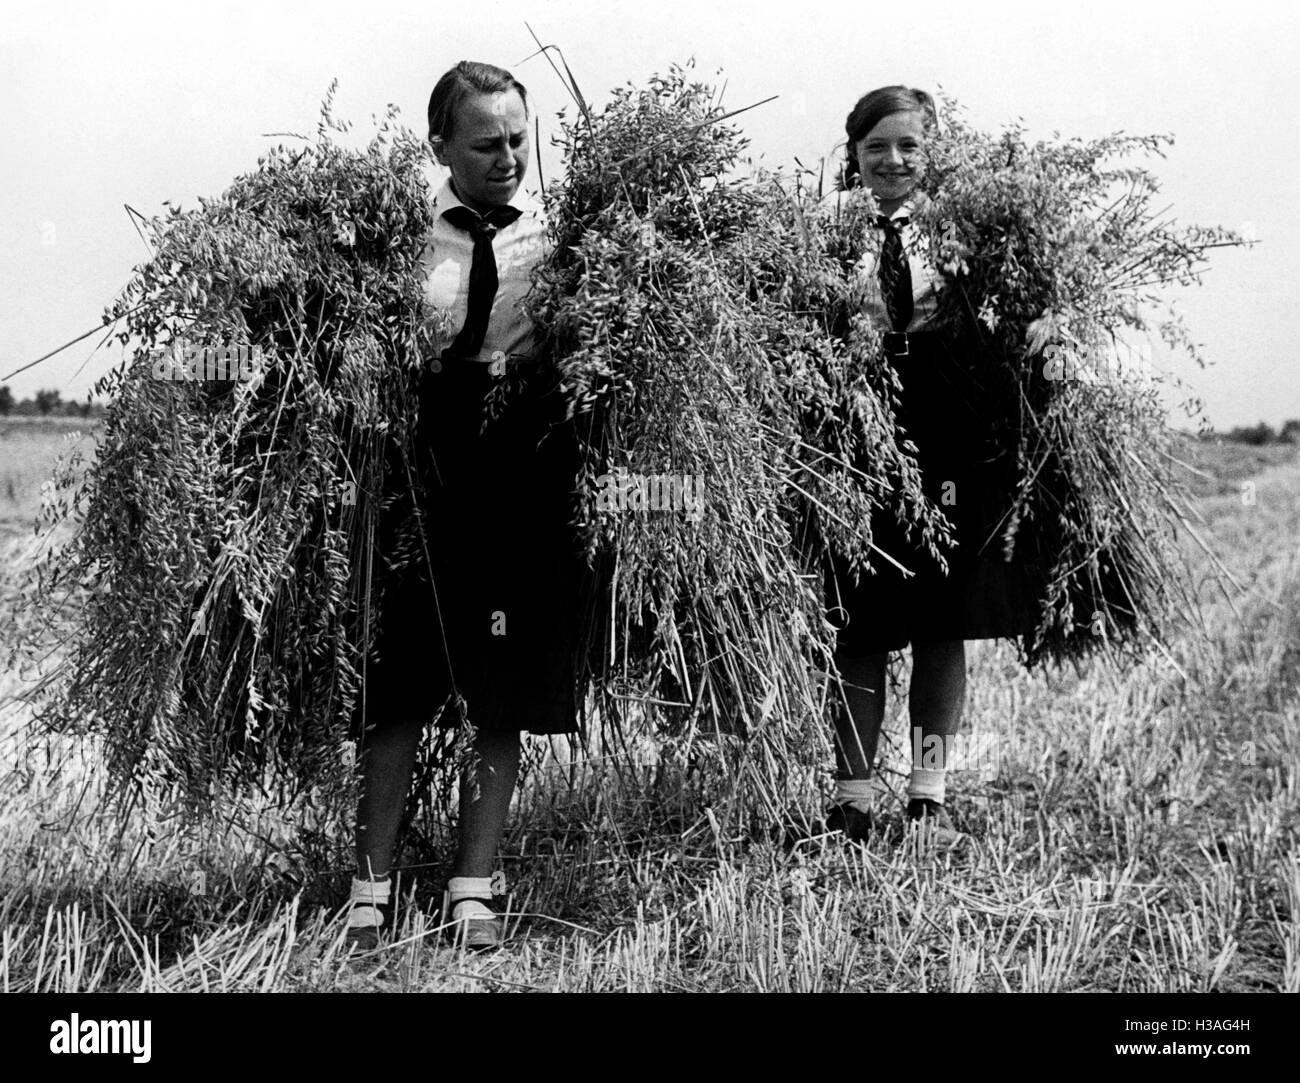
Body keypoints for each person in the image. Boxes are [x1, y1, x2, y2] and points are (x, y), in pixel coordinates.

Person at [343, 60, 590, 952]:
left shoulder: (563, 243)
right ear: (439, 145)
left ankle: (473, 886)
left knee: (502, 683)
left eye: (520, 138)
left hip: (519, 461)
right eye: (485, 142)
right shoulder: (396, 239)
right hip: (420, 462)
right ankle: (370, 887)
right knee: (399, 676)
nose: (507, 156)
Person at [819, 85, 1034, 846]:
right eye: (876, 146)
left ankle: (928, 796)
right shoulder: (823, 235)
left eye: (909, 144)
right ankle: (851, 800)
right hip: (855, 431)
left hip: (948, 431)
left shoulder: (966, 229)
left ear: (934, 150)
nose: (893, 159)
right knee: (858, 625)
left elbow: (1014, 313)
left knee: (945, 626)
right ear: (854, 155)